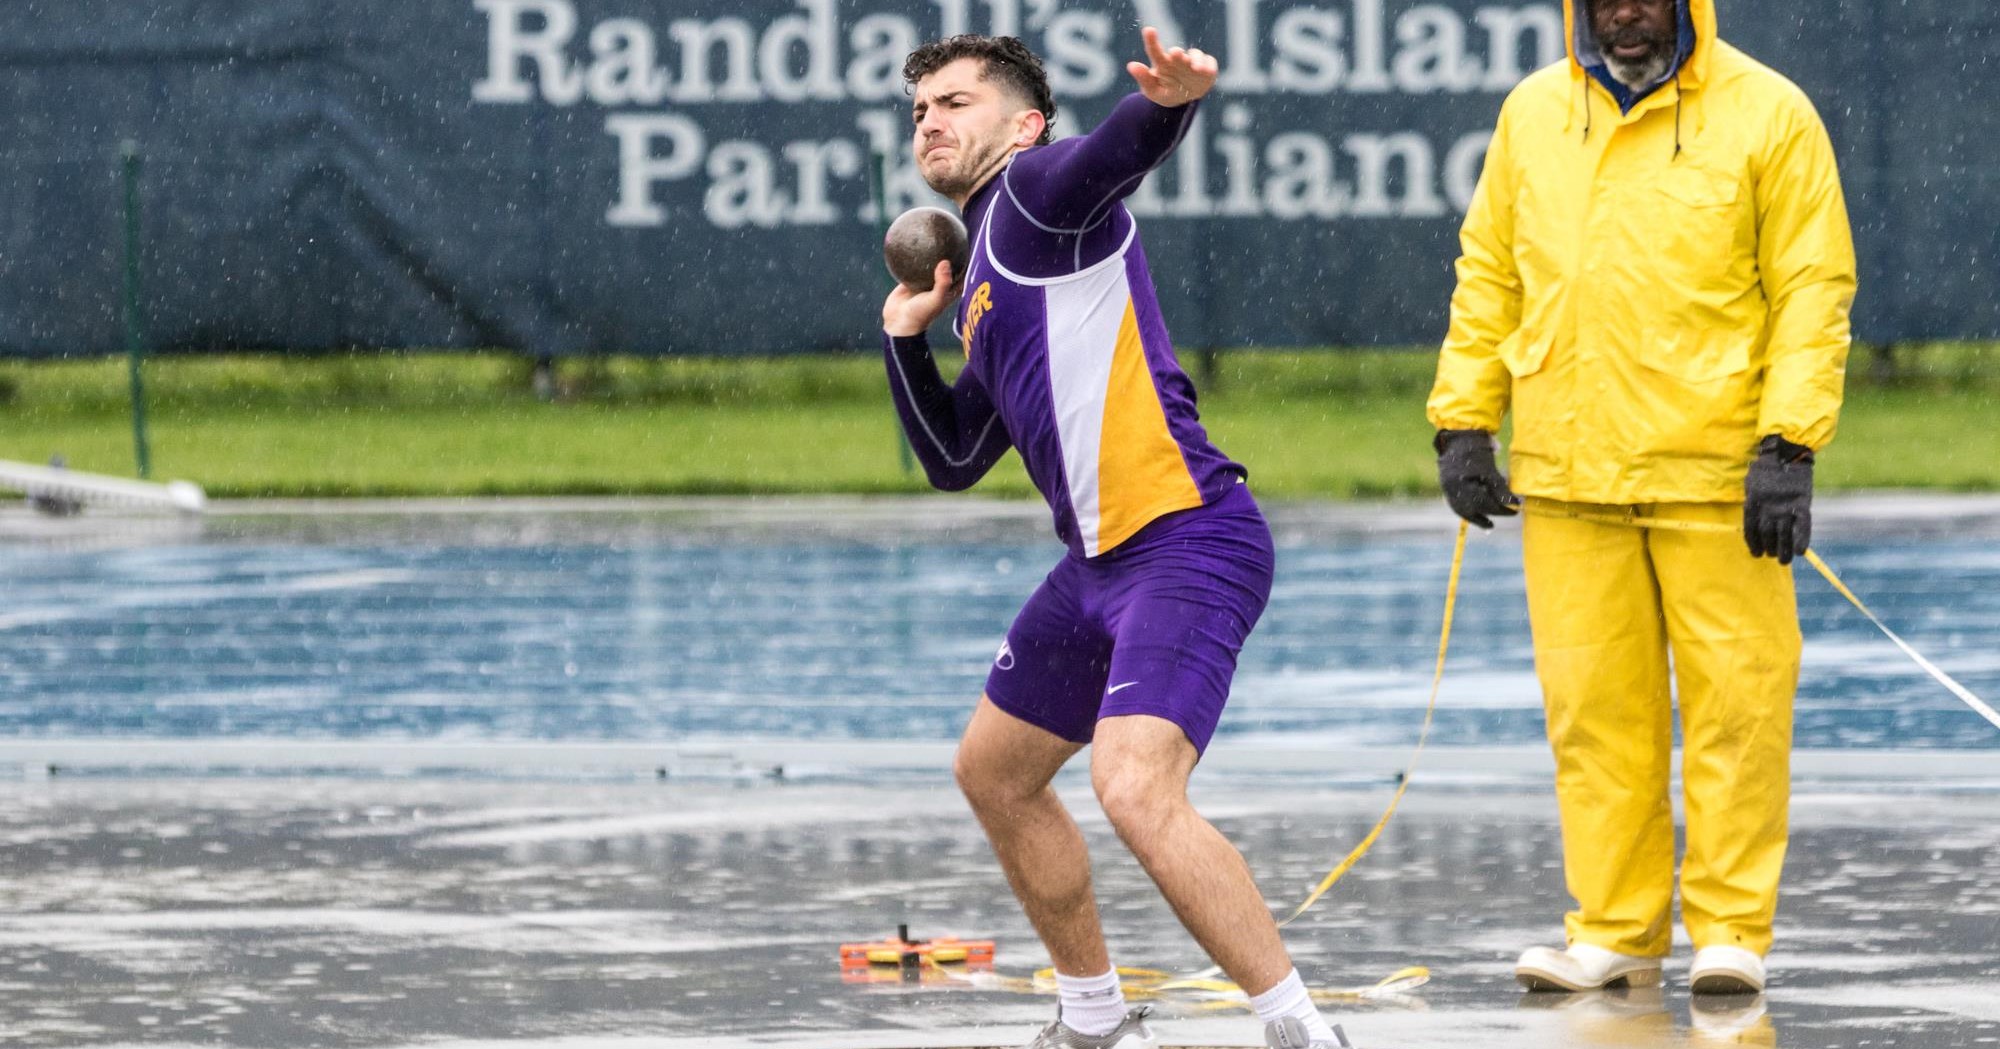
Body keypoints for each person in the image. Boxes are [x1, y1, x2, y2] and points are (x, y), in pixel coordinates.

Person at [880, 29, 1350, 1049]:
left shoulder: (1039, 194)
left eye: (956, 103)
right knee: (993, 771)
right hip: (1097, 567)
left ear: (1022, 124)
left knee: (1133, 784)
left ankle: (1300, 1028)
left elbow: (1113, 156)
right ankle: (1093, 1016)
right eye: (919, 110)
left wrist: (1167, 104)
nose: (930, 122)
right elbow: (955, 457)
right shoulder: (991, 268)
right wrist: (904, 340)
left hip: (1187, 539)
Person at [1427, 0, 1855, 996]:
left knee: (1737, 710)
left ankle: (1730, 927)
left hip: (1716, 475)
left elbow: (1809, 283)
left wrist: (1787, 441)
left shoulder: (1766, 111)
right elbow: (1488, 271)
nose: (1623, 15)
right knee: (1592, 716)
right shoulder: (1533, 111)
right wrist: (1461, 418)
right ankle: (1612, 927)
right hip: (1568, 473)